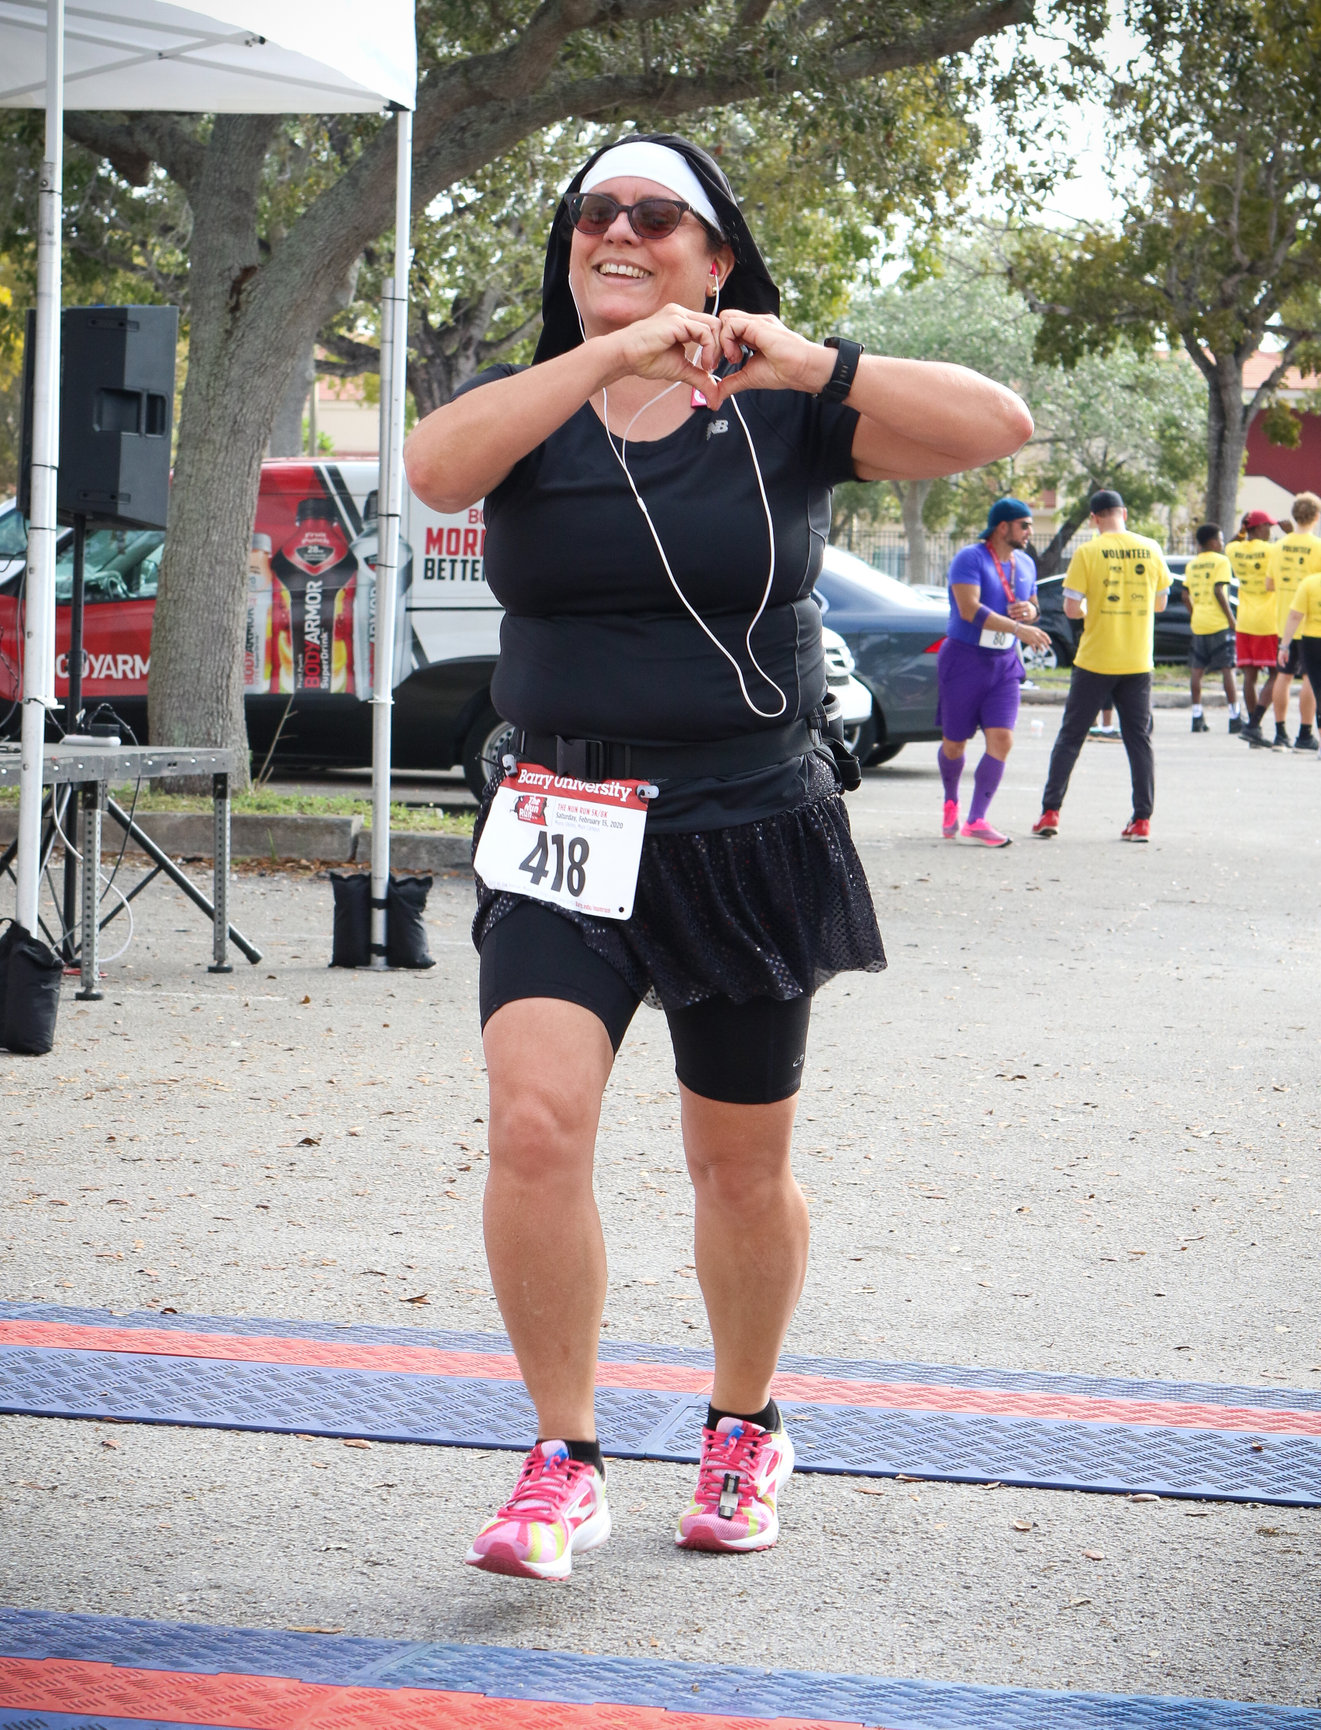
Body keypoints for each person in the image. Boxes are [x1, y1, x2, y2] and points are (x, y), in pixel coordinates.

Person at [403, 134, 1032, 1581]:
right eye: (591, 218)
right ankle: (562, 1457)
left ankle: (745, 1422)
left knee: (737, 1166)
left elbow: (994, 423)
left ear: (717, 254)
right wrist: (597, 355)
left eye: (653, 217)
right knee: (536, 1123)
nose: (615, 233)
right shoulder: (530, 412)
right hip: (563, 822)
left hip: (744, 820)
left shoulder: (783, 412)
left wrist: (806, 361)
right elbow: (438, 467)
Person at [1032, 489, 1170, 841]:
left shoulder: (1088, 552)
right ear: (1123, 512)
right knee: (1138, 739)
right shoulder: (1151, 549)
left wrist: (1096, 611)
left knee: (1071, 736)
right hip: (1138, 660)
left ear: (1094, 518)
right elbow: (1160, 603)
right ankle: (1142, 820)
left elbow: (1070, 609)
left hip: (1095, 659)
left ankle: (1050, 812)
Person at [935, 496, 1049, 846]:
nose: (1030, 531)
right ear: (1003, 527)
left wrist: (1030, 613)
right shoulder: (970, 558)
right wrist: (1020, 630)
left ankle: (977, 819)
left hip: (1004, 665)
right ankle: (951, 801)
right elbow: (969, 609)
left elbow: (1032, 605)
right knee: (955, 744)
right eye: (1024, 525)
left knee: (1002, 739)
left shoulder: (1026, 564)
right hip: (965, 659)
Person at [1265, 493, 1321, 752]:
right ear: (1316, 516)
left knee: (1283, 677)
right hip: (1311, 624)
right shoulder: (1317, 547)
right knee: (1310, 678)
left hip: (1283, 620)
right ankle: (1305, 734)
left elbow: (1269, 584)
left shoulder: (1277, 547)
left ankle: (1279, 733)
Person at [1227, 508, 1279, 743]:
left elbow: (1231, 542)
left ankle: (1253, 727)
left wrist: (1242, 531)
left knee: (1250, 676)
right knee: (1278, 674)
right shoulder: (1270, 550)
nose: (1270, 530)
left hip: (1244, 621)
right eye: (1267, 526)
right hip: (1267, 621)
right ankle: (1255, 722)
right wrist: (1288, 534)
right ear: (1257, 528)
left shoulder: (1234, 550)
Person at [1183, 523, 1238, 731]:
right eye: (1222, 540)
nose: (1223, 544)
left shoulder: (1192, 564)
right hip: (1218, 624)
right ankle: (1235, 717)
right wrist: (1232, 620)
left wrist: (1194, 614)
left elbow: (1184, 595)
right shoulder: (1221, 561)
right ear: (1213, 542)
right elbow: (1219, 591)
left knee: (1197, 671)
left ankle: (1197, 717)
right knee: (1228, 669)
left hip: (1199, 623)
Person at [1278, 554, 1321, 743]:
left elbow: (1295, 616)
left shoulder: (1309, 583)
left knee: (1318, 690)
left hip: (1312, 641)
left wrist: (1284, 645)